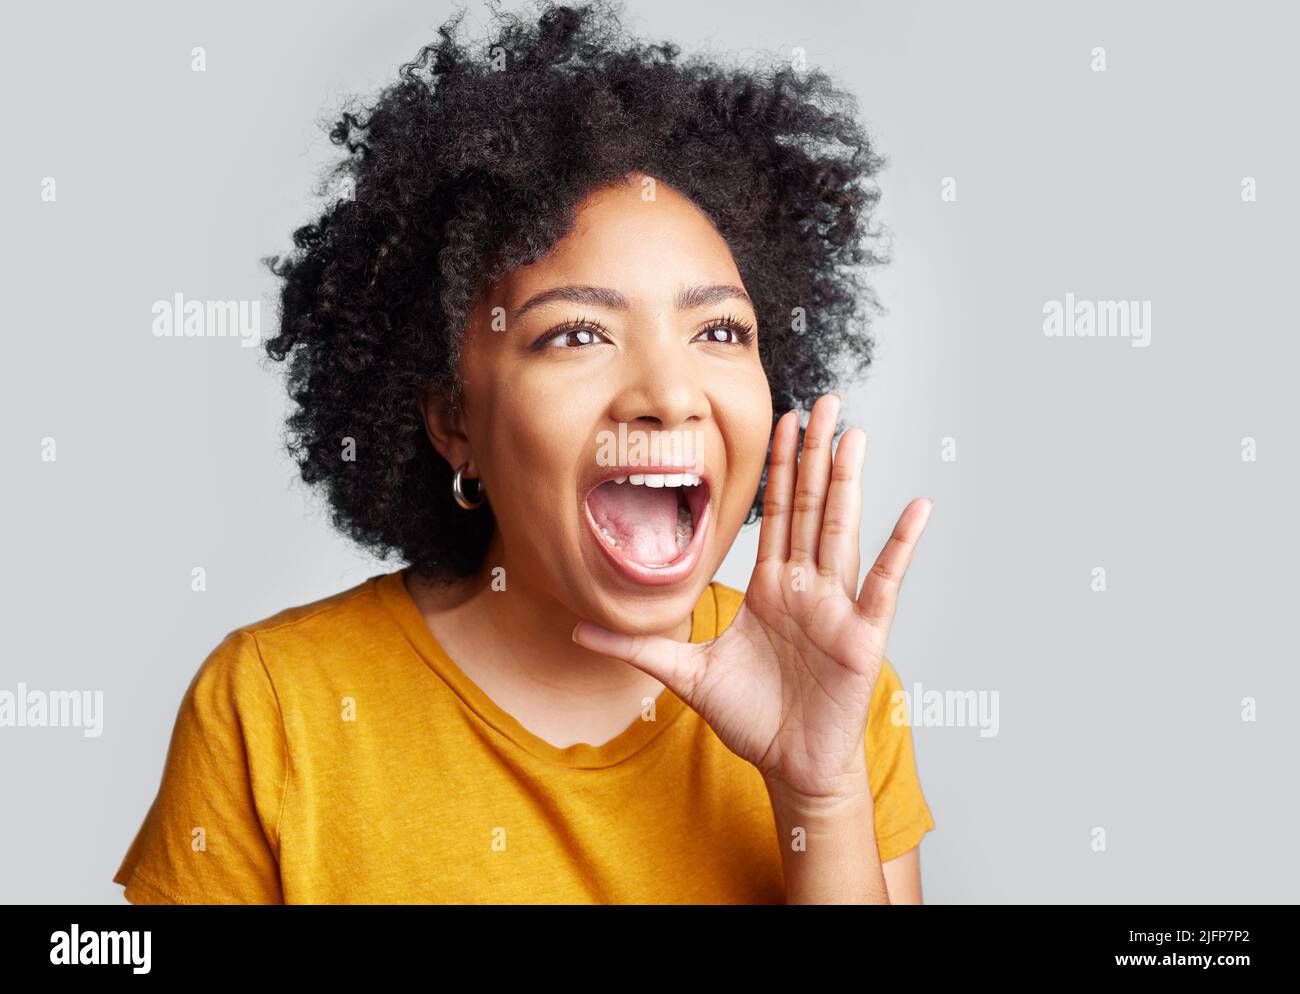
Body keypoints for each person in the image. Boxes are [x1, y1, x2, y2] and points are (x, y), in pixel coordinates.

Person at [113, 0, 935, 904]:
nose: (667, 393)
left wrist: (818, 796)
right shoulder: (275, 709)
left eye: (720, 330)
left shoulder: (832, 689)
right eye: (577, 334)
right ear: (453, 421)